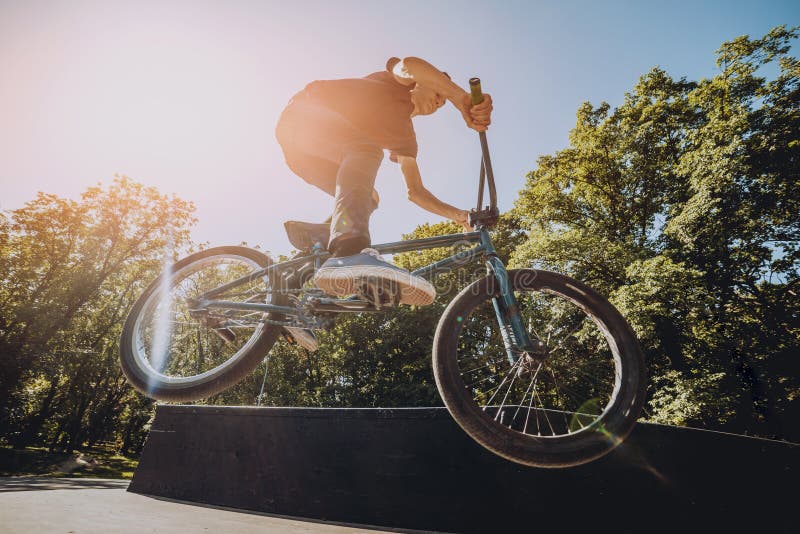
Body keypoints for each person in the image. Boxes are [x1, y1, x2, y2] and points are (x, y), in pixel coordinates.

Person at [275, 56, 492, 348]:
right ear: (420, 83)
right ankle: (347, 250)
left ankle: (289, 286)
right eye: (438, 92)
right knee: (366, 150)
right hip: (307, 117)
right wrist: (459, 97)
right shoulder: (397, 82)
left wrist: (460, 216)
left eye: (443, 101)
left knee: (368, 196)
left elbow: (416, 191)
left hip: (312, 155)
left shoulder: (404, 135)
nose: (440, 101)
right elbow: (411, 64)